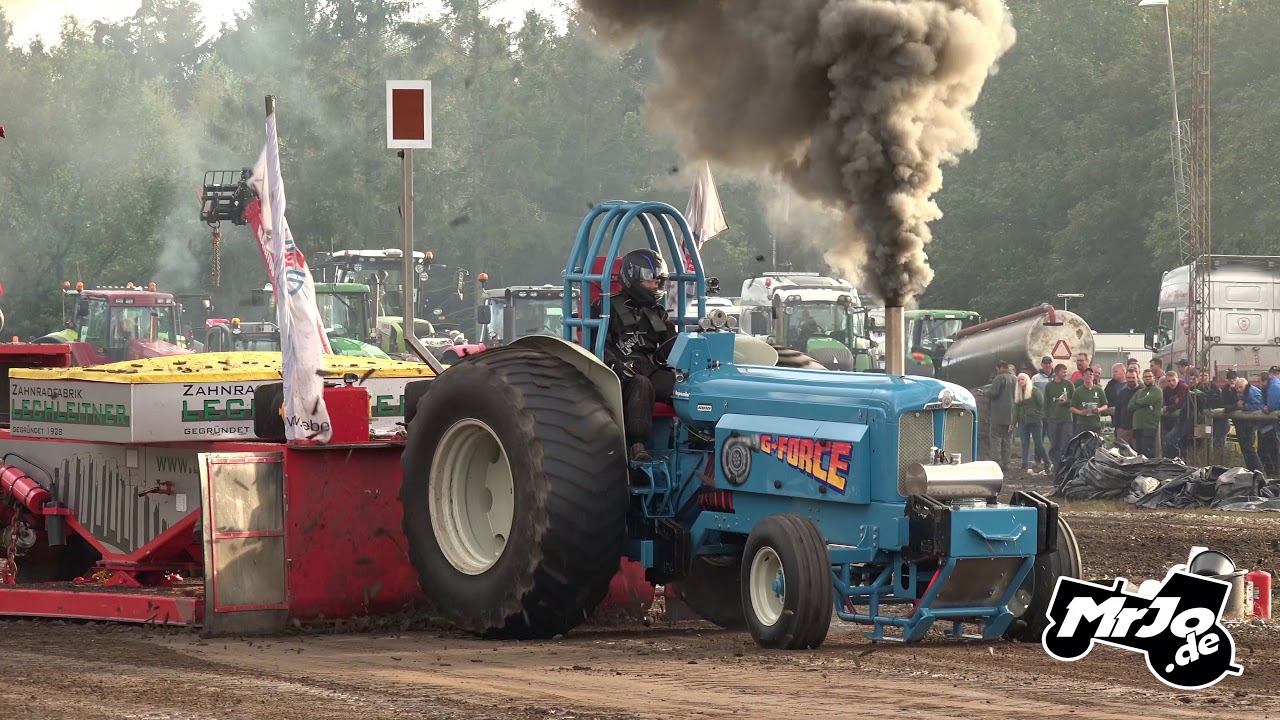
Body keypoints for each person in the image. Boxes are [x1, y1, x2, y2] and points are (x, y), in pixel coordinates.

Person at [591, 248, 678, 463]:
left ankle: (695, 439)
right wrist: (614, 364)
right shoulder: (605, 307)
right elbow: (596, 346)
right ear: (632, 277)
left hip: (650, 368)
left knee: (683, 387)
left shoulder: (656, 312)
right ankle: (637, 446)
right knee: (641, 384)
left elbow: (672, 347)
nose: (655, 285)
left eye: (658, 280)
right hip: (618, 374)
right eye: (650, 280)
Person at [1015, 372, 1049, 474]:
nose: (1021, 381)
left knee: (1038, 443)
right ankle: (1024, 464)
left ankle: (1047, 462)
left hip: (1035, 420)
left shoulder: (1034, 391)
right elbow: (1016, 409)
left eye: (1022, 379)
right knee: (1024, 443)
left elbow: (1042, 405)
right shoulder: (1018, 393)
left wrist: (1038, 417)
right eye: (1019, 380)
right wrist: (1013, 422)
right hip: (1023, 421)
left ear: (1027, 380)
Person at [1043, 363, 1075, 473]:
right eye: (1063, 371)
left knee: (1065, 444)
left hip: (1066, 419)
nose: (1065, 374)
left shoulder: (1069, 385)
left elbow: (1074, 402)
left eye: (1066, 371)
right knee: (1054, 445)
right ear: (1057, 372)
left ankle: (1065, 467)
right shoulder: (1049, 386)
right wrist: (1047, 417)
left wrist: (1067, 402)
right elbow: (1046, 403)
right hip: (1053, 420)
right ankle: (1057, 467)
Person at [987, 360, 1017, 472]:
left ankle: (996, 463)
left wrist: (985, 393)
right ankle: (1007, 463)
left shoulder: (999, 378)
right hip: (1012, 416)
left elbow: (994, 393)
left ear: (999, 368)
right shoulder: (1015, 378)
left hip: (998, 415)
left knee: (996, 439)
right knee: (1008, 440)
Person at [1130, 369, 1163, 458]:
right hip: (1138, 426)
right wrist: (1143, 402)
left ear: (1154, 378)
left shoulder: (1157, 390)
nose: (1148, 378)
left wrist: (1140, 402)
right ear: (1142, 378)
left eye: (1150, 376)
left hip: (1149, 426)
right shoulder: (1139, 392)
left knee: (1148, 453)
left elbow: (1148, 400)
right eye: (1145, 377)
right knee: (1139, 453)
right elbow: (1130, 405)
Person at [1070, 367, 1109, 435]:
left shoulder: (1099, 390)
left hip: (1095, 424)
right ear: (1083, 377)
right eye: (1086, 374)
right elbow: (1071, 408)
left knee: (1095, 444)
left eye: (1091, 374)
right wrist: (1080, 412)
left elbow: (1105, 405)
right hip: (1082, 424)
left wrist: (1099, 409)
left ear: (1093, 376)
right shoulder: (1077, 391)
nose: (1089, 376)